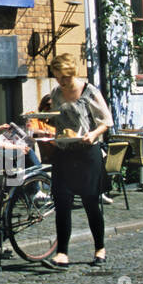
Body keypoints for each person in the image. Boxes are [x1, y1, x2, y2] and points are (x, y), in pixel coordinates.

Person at [28, 54, 112, 268]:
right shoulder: (56, 93)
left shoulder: (89, 91)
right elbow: (57, 117)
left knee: (90, 202)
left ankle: (99, 248)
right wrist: (38, 118)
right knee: (62, 203)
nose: (60, 82)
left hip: (87, 152)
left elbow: (106, 121)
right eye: (57, 78)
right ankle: (62, 253)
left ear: (71, 73)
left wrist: (93, 135)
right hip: (64, 152)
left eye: (63, 78)